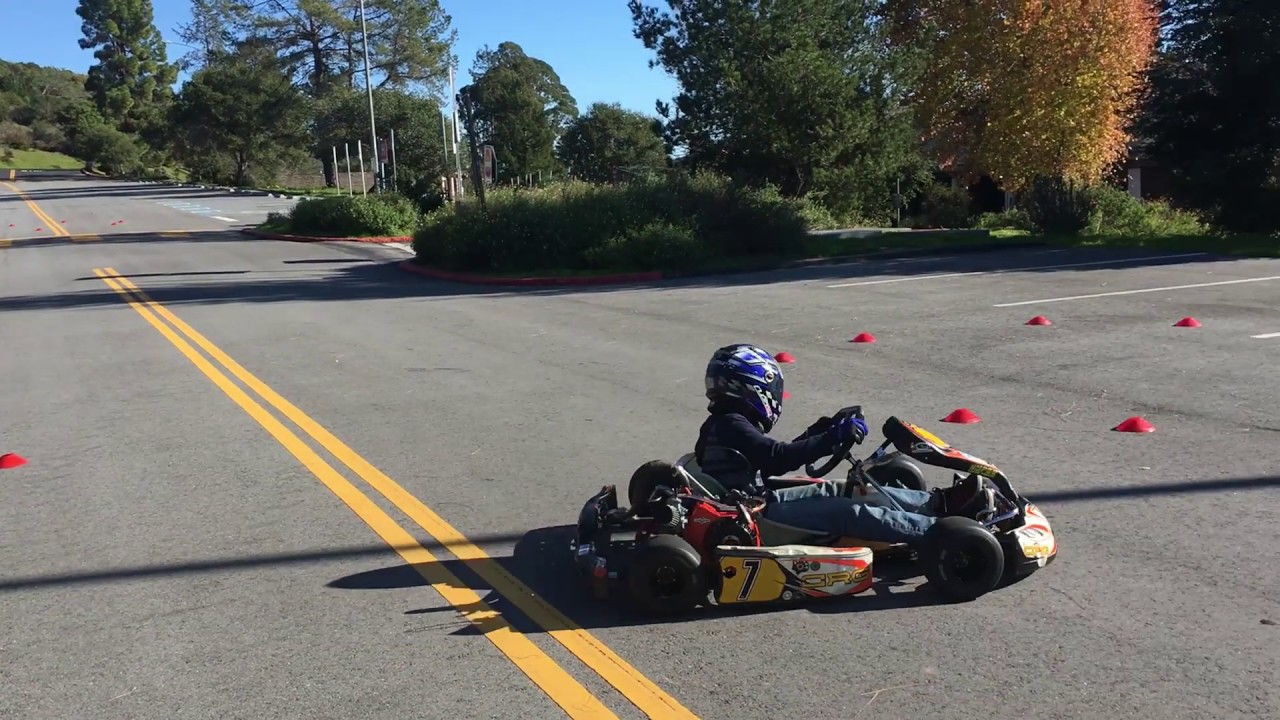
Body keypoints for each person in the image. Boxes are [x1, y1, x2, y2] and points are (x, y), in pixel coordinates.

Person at [692, 343, 991, 545]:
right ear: (751, 385)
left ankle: (938, 505)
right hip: (758, 518)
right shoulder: (730, 423)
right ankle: (940, 533)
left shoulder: (725, 422)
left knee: (839, 489)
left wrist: (820, 431)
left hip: (757, 503)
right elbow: (777, 457)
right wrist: (832, 437)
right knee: (846, 511)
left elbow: (771, 456)